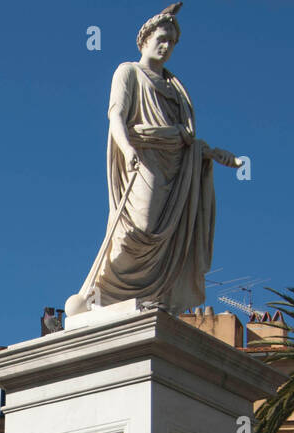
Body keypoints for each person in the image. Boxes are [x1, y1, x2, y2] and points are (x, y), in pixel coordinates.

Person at [86, 3, 241, 314]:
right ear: (144, 38)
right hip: (144, 157)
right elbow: (115, 114)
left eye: (172, 42)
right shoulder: (128, 71)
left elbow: (185, 138)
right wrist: (127, 148)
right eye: (161, 38)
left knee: (168, 237)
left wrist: (209, 152)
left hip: (176, 166)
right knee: (138, 229)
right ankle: (106, 293)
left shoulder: (175, 88)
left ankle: (152, 296)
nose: (166, 46)